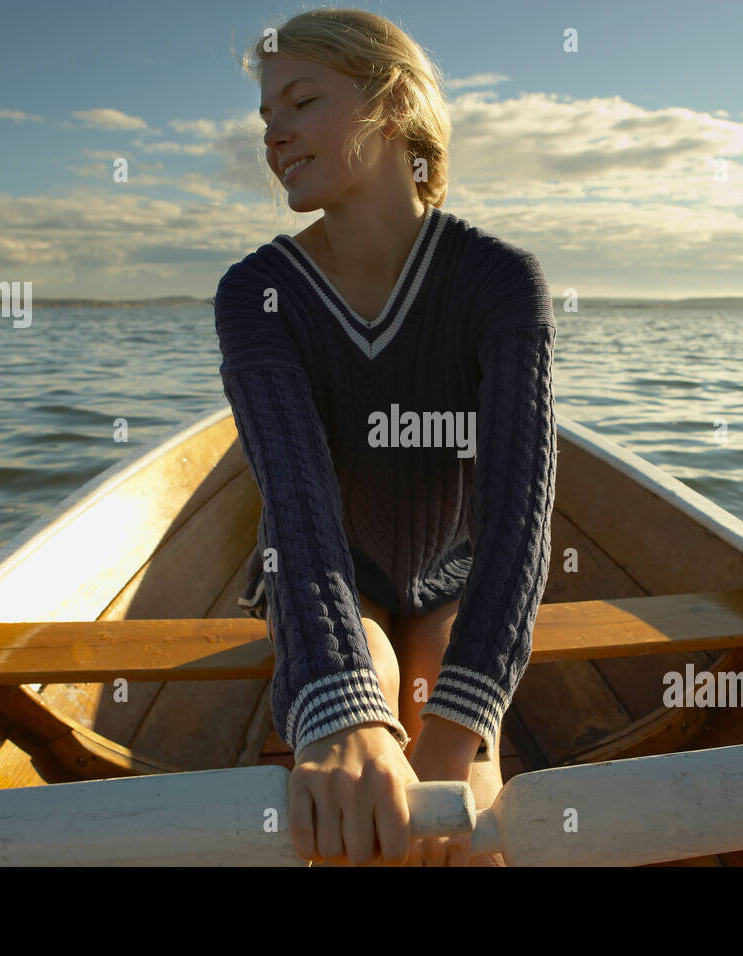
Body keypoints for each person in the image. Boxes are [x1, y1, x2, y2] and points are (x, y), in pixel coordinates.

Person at [214, 8, 556, 866]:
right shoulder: (257, 293)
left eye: (300, 102)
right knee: (358, 763)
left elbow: (519, 521)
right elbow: (297, 507)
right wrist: (340, 709)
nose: (275, 133)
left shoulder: (502, 283)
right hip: (330, 571)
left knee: (471, 804)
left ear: (393, 104)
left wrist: (459, 737)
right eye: (266, 117)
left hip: (452, 577)